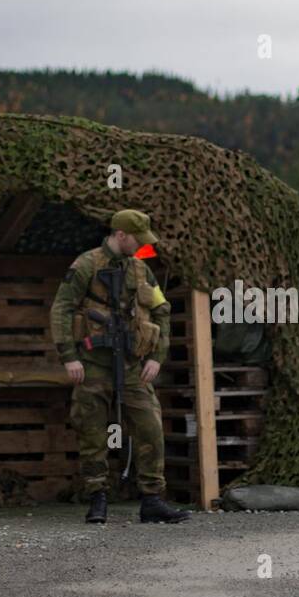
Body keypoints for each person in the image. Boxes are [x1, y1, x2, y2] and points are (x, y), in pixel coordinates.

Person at [50, 210, 189, 524]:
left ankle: (152, 499)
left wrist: (157, 357)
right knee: (92, 430)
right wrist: (69, 356)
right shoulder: (86, 265)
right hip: (93, 364)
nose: (141, 246)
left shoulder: (141, 271)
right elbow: (62, 308)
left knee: (151, 427)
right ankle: (97, 497)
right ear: (121, 235)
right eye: (138, 240)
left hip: (131, 366)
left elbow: (162, 311)